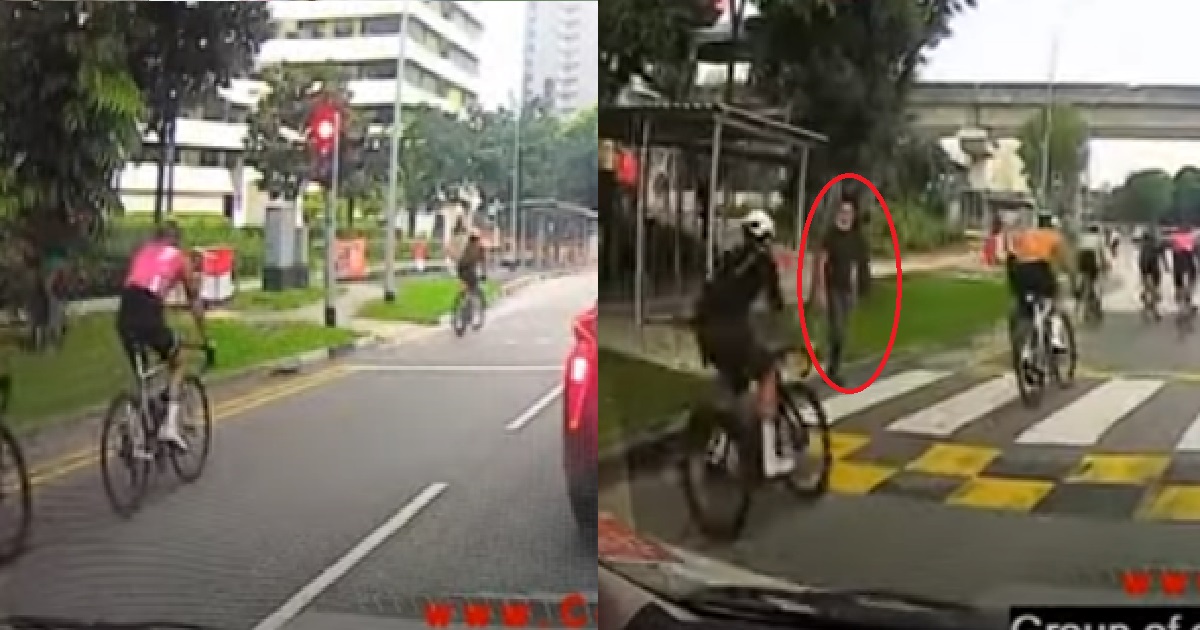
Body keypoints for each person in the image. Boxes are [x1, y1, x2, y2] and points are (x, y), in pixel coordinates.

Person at [692, 209, 788, 476]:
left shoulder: (729, 258)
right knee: (768, 371)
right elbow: (776, 306)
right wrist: (786, 338)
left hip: (706, 330)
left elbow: (712, 292)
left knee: (732, 380)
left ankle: (717, 449)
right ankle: (770, 459)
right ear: (768, 237)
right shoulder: (764, 262)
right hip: (731, 330)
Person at [115, 221, 208, 451]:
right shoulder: (179, 257)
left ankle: (135, 422)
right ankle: (169, 428)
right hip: (149, 312)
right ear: (176, 240)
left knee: (143, 373)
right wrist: (205, 337)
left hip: (125, 311)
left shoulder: (143, 252)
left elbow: (140, 281)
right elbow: (194, 301)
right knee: (178, 362)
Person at [813, 197, 868, 385]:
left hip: (847, 289)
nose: (846, 216)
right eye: (843, 212)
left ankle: (834, 364)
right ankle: (833, 369)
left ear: (853, 216)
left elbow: (855, 264)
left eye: (849, 213)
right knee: (836, 330)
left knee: (843, 330)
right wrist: (820, 290)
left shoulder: (854, 237)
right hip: (833, 288)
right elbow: (821, 262)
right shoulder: (831, 236)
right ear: (837, 214)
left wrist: (857, 287)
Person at [1008, 212, 1077, 355]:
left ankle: (1023, 340)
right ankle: (1056, 339)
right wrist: (1073, 280)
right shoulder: (1054, 236)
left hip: (1019, 271)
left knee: (1025, 306)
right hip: (1039, 270)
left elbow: (1012, 255)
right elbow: (1066, 263)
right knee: (1055, 302)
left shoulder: (1025, 235)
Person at [1076, 224, 1109, 308]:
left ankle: (1080, 289)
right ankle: (1095, 297)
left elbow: (1077, 250)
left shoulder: (1082, 237)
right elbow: (1102, 252)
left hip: (1082, 260)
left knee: (1083, 275)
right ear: (1097, 231)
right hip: (1093, 261)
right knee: (1094, 280)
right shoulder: (1099, 238)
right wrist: (1105, 264)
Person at [1138, 226, 1169, 315]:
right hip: (1152, 266)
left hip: (1144, 265)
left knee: (1146, 282)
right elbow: (1163, 256)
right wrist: (1166, 266)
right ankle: (1153, 299)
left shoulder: (1143, 245)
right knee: (1155, 284)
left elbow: (1141, 259)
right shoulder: (1157, 244)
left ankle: (1146, 295)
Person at [1169, 222, 1199, 313]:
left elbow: (1172, 252)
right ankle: (1187, 302)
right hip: (1188, 266)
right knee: (1191, 282)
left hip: (1177, 266)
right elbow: (1196, 253)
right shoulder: (1192, 238)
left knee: (1179, 285)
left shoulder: (1174, 238)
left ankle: (1181, 306)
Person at [456, 228, 487, 303]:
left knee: (468, 288)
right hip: (467, 270)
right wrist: (484, 274)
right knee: (474, 287)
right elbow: (483, 262)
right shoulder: (478, 247)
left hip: (463, 269)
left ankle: (463, 302)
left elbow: (482, 261)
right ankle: (473, 304)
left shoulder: (469, 245)